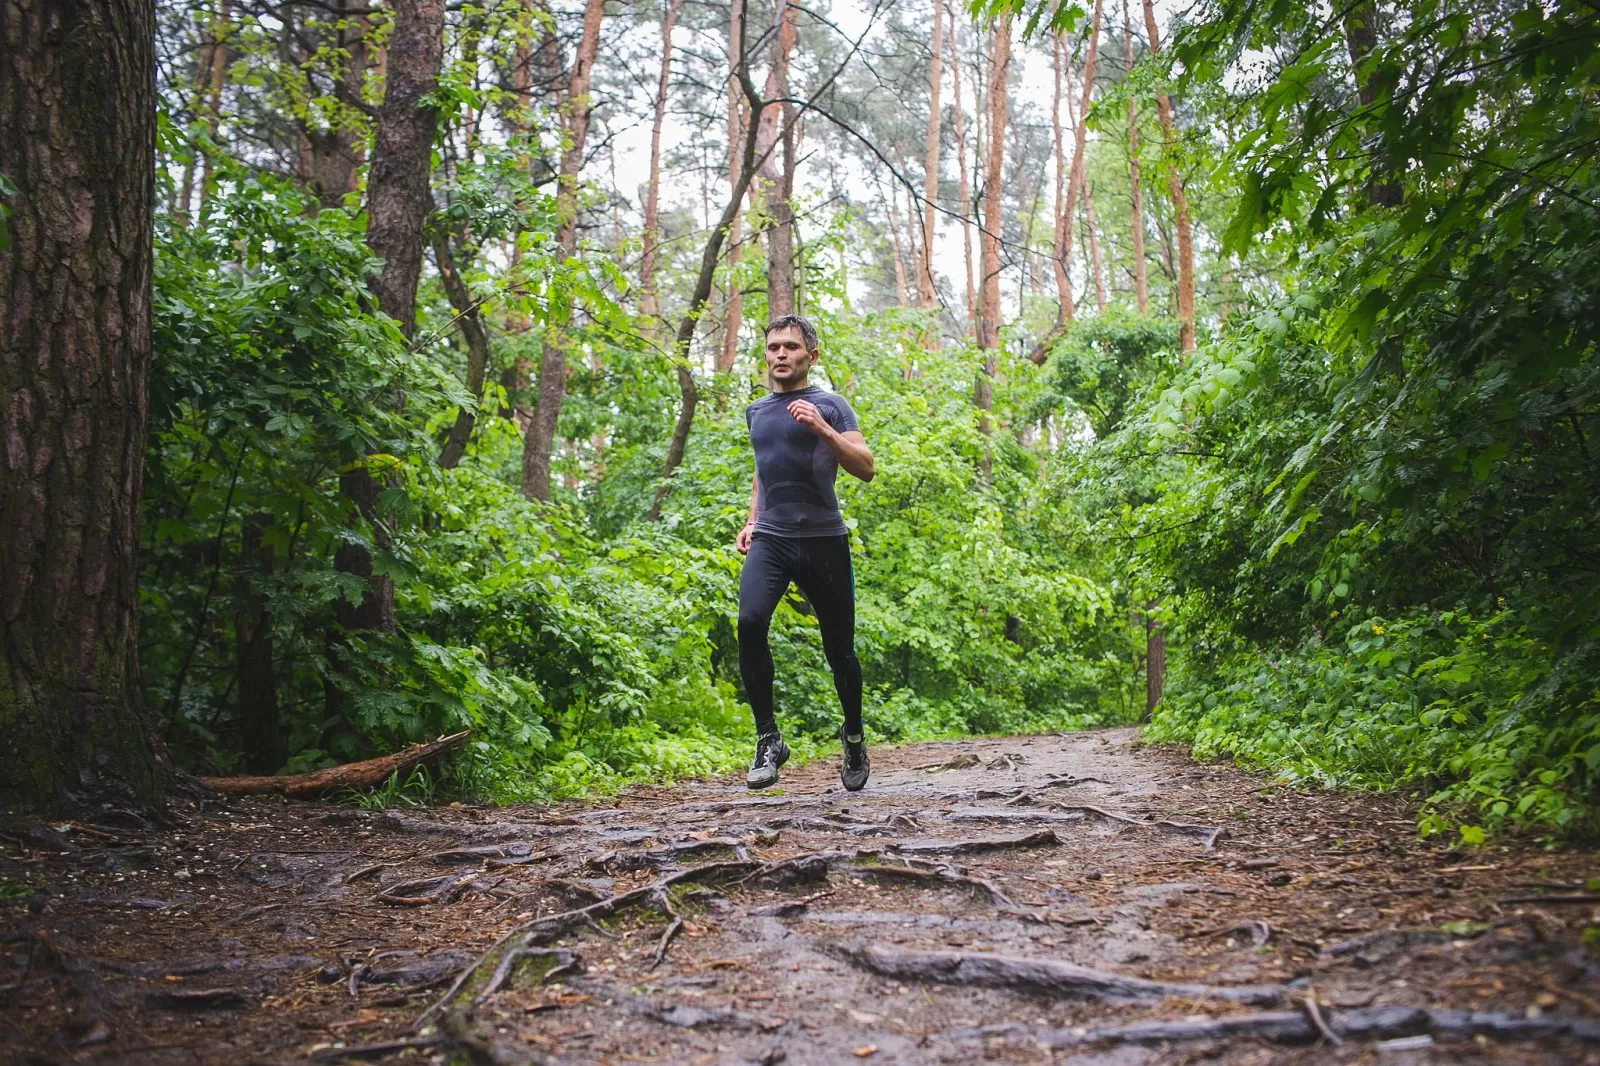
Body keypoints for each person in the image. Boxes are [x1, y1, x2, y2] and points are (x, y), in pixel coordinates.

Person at [735, 314, 875, 791]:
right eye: (773, 347)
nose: (780, 355)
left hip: (824, 541)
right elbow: (762, 468)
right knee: (750, 623)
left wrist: (823, 430)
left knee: (840, 652)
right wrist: (752, 518)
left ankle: (853, 735)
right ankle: (768, 739)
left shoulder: (831, 405)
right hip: (772, 538)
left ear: (810, 356)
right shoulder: (756, 411)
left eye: (791, 347)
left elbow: (866, 467)